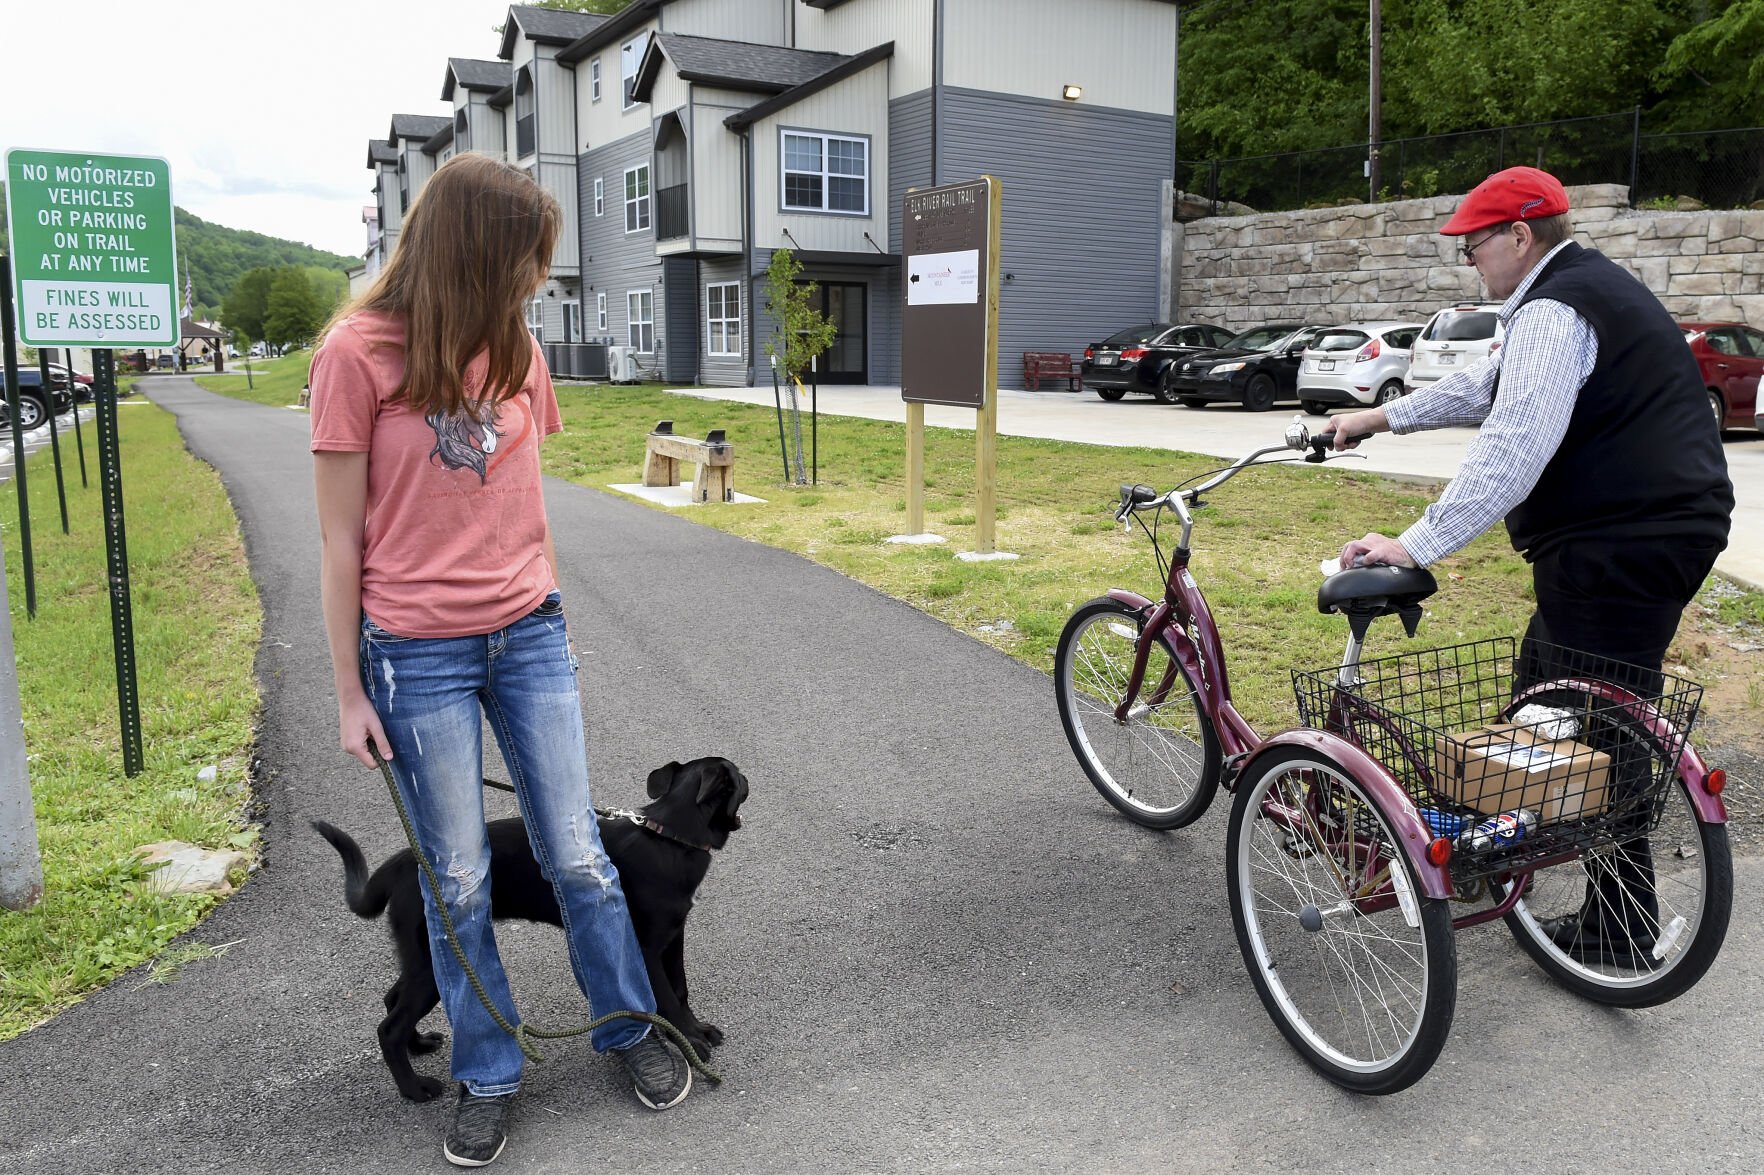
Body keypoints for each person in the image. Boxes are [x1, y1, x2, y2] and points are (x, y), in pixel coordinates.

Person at [309, 153, 688, 1169]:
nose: (537, 280)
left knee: (577, 853)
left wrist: (549, 614)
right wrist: (349, 689)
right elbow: (340, 540)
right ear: (473, 252)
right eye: (525, 259)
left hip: (528, 633)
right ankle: (486, 1071)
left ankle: (628, 1026)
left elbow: (524, 498)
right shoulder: (356, 354)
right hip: (415, 654)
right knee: (461, 879)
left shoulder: (517, 345)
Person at [1322, 165, 1733, 965]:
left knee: (1600, 720)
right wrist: (1381, 416)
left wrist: (1415, 544)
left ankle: (1615, 922)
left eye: (1472, 246)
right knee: (1551, 685)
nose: (1468, 262)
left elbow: (1512, 449)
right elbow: (1490, 385)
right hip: (1658, 529)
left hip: (1619, 541)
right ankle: (1505, 855)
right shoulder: (1582, 290)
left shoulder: (1553, 308)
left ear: (1518, 235)